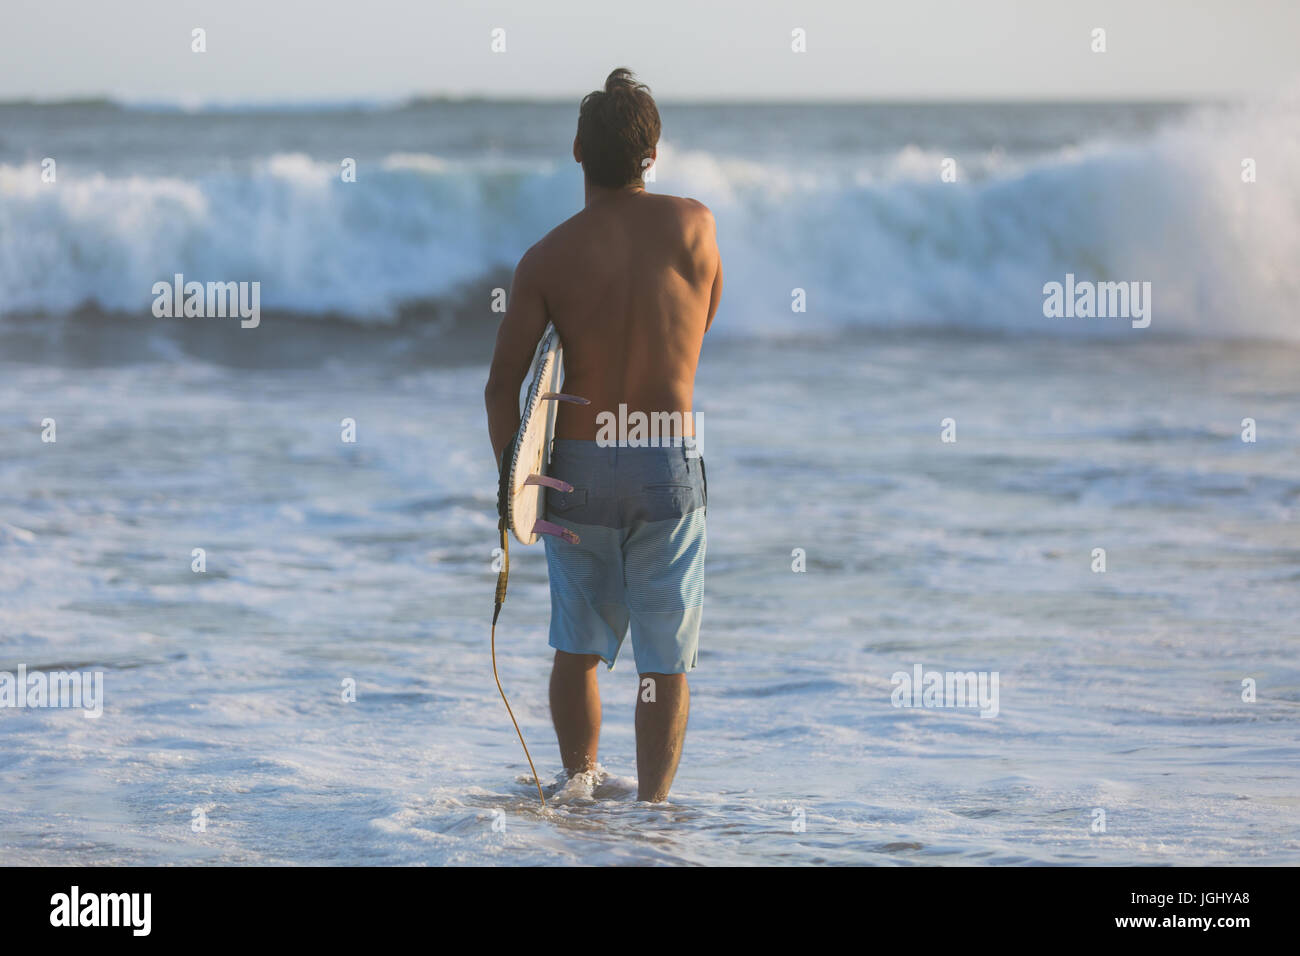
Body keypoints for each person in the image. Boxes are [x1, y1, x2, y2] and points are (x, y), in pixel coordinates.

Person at [485, 68, 722, 802]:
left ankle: (579, 789)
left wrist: (517, 493)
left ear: (579, 151)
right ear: (652, 154)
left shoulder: (547, 257)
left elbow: (502, 388)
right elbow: (702, 323)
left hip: (578, 467)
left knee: (577, 645)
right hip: (665, 453)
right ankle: (653, 815)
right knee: (664, 660)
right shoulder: (695, 227)